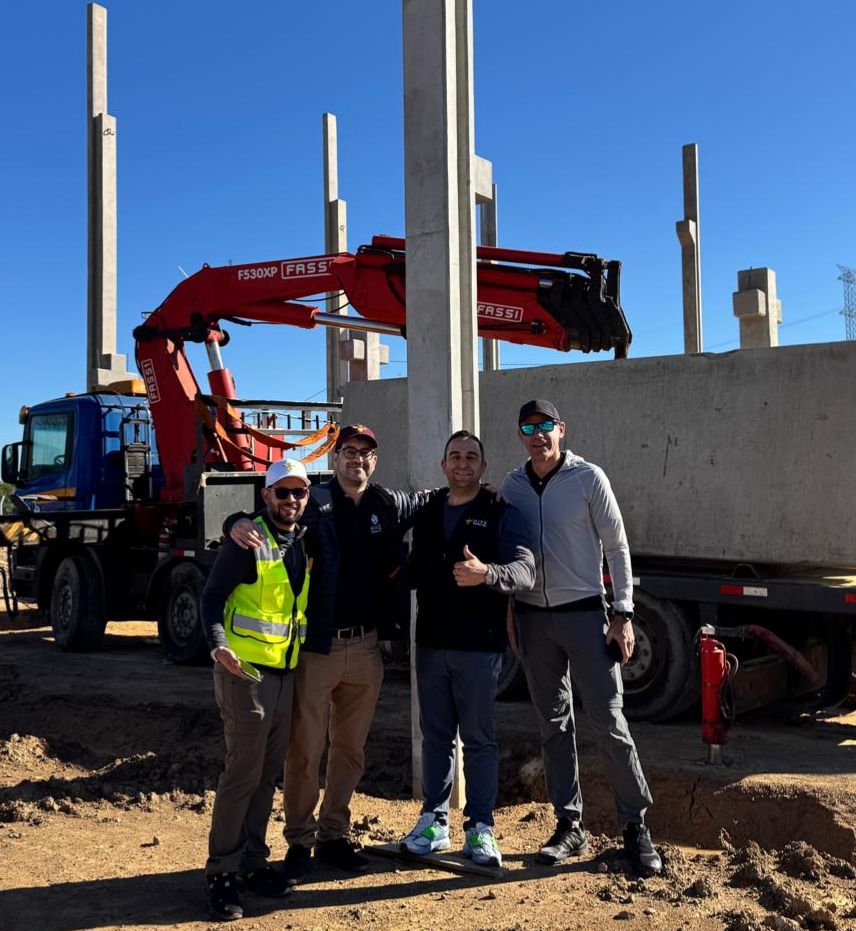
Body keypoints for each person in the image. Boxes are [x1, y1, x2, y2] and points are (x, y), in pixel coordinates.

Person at [227, 424, 430, 882]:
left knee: (350, 749)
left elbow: (429, 500)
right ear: (334, 459)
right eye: (349, 451)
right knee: (305, 749)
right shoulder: (311, 503)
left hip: (366, 647)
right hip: (317, 648)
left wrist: (479, 490)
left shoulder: (385, 503)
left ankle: (333, 835)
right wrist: (232, 523)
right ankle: (299, 841)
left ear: (374, 462)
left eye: (366, 453)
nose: (357, 459)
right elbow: (263, 518)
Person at [499, 400, 662, 876]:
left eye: (545, 426)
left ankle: (636, 827)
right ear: (521, 435)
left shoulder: (589, 478)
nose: (537, 435)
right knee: (553, 726)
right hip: (532, 620)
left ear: (561, 431)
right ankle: (569, 824)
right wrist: (510, 610)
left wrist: (624, 612)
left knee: (609, 722)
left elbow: (617, 546)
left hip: (586, 617)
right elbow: (507, 552)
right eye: (528, 427)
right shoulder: (512, 486)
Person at [400, 430, 535, 868]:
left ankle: (480, 828)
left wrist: (488, 574)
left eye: (471, 457)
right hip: (431, 644)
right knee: (436, 737)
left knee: (478, 740)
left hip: (478, 647)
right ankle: (434, 821)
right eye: (455, 456)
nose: (463, 463)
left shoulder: (499, 511)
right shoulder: (428, 509)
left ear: (483, 465)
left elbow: (525, 570)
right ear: (443, 466)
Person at [200, 458, 316, 921]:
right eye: (282, 493)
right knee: (242, 774)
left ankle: (251, 862)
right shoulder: (249, 541)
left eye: (299, 492)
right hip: (245, 674)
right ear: (265, 496)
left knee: (267, 775)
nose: (291, 500)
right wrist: (218, 647)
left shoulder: (300, 538)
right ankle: (220, 874)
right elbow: (211, 597)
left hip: (284, 674)